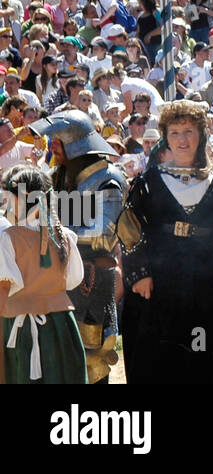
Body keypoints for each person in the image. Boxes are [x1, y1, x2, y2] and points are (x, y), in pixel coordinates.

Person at [117, 100, 213, 383]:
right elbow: (130, 228)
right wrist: (140, 272)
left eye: (188, 131)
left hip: (212, 274)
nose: (182, 139)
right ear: (165, 137)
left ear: (201, 134)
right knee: (166, 358)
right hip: (162, 277)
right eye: (175, 132)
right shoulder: (149, 180)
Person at [16, 110, 126, 383]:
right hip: (55, 279)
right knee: (56, 358)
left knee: (91, 360)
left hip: (91, 279)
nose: (51, 147)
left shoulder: (107, 179)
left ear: (76, 143)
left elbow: (103, 234)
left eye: (57, 141)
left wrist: (52, 231)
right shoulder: (58, 176)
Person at [0, 164, 87, 383]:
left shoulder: (8, 238)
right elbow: (73, 280)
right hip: (62, 326)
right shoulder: (64, 236)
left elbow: (3, 288)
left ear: (21, 199)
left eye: (9, 197)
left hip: (22, 331)